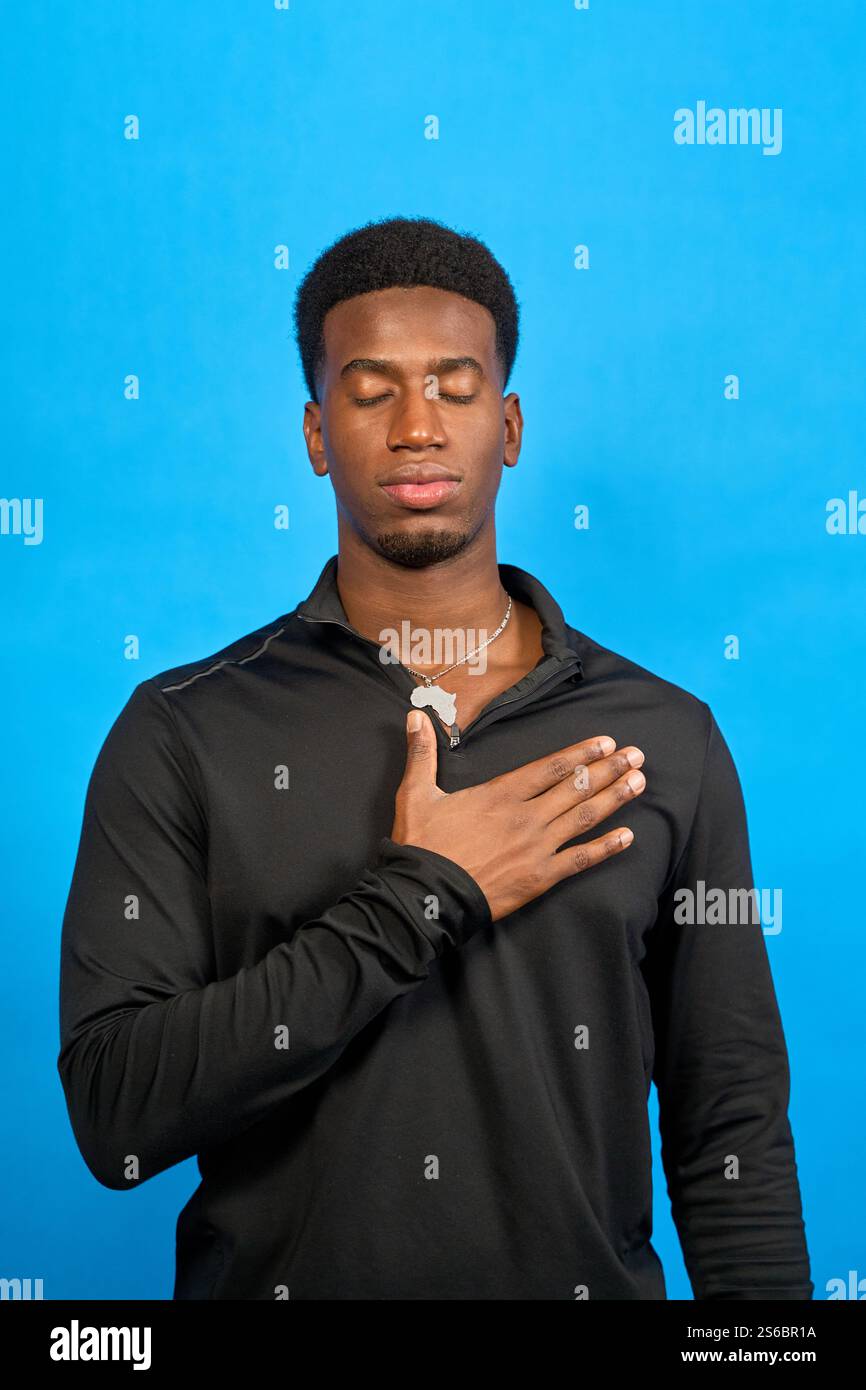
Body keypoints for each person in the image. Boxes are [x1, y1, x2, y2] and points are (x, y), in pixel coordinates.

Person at [57, 215, 812, 1301]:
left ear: (507, 426)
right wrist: (420, 895)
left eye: (454, 389)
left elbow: (727, 1115)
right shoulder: (184, 728)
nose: (416, 426)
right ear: (316, 433)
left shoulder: (665, 735)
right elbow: (112, 1115)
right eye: (371, 392)